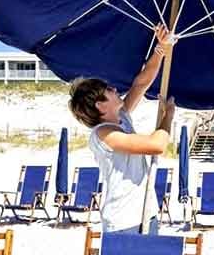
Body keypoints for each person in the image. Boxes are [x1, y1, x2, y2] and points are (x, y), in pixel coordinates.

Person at [68, 24, 177, 234]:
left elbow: (140, 83)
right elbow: (156, 145)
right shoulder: (103, 134)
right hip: (124, 221)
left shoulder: (121, 118)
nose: (115, 89)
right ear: (100, 105)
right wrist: (168, 117)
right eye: (108, 90)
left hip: (146, 213)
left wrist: (161, 48)